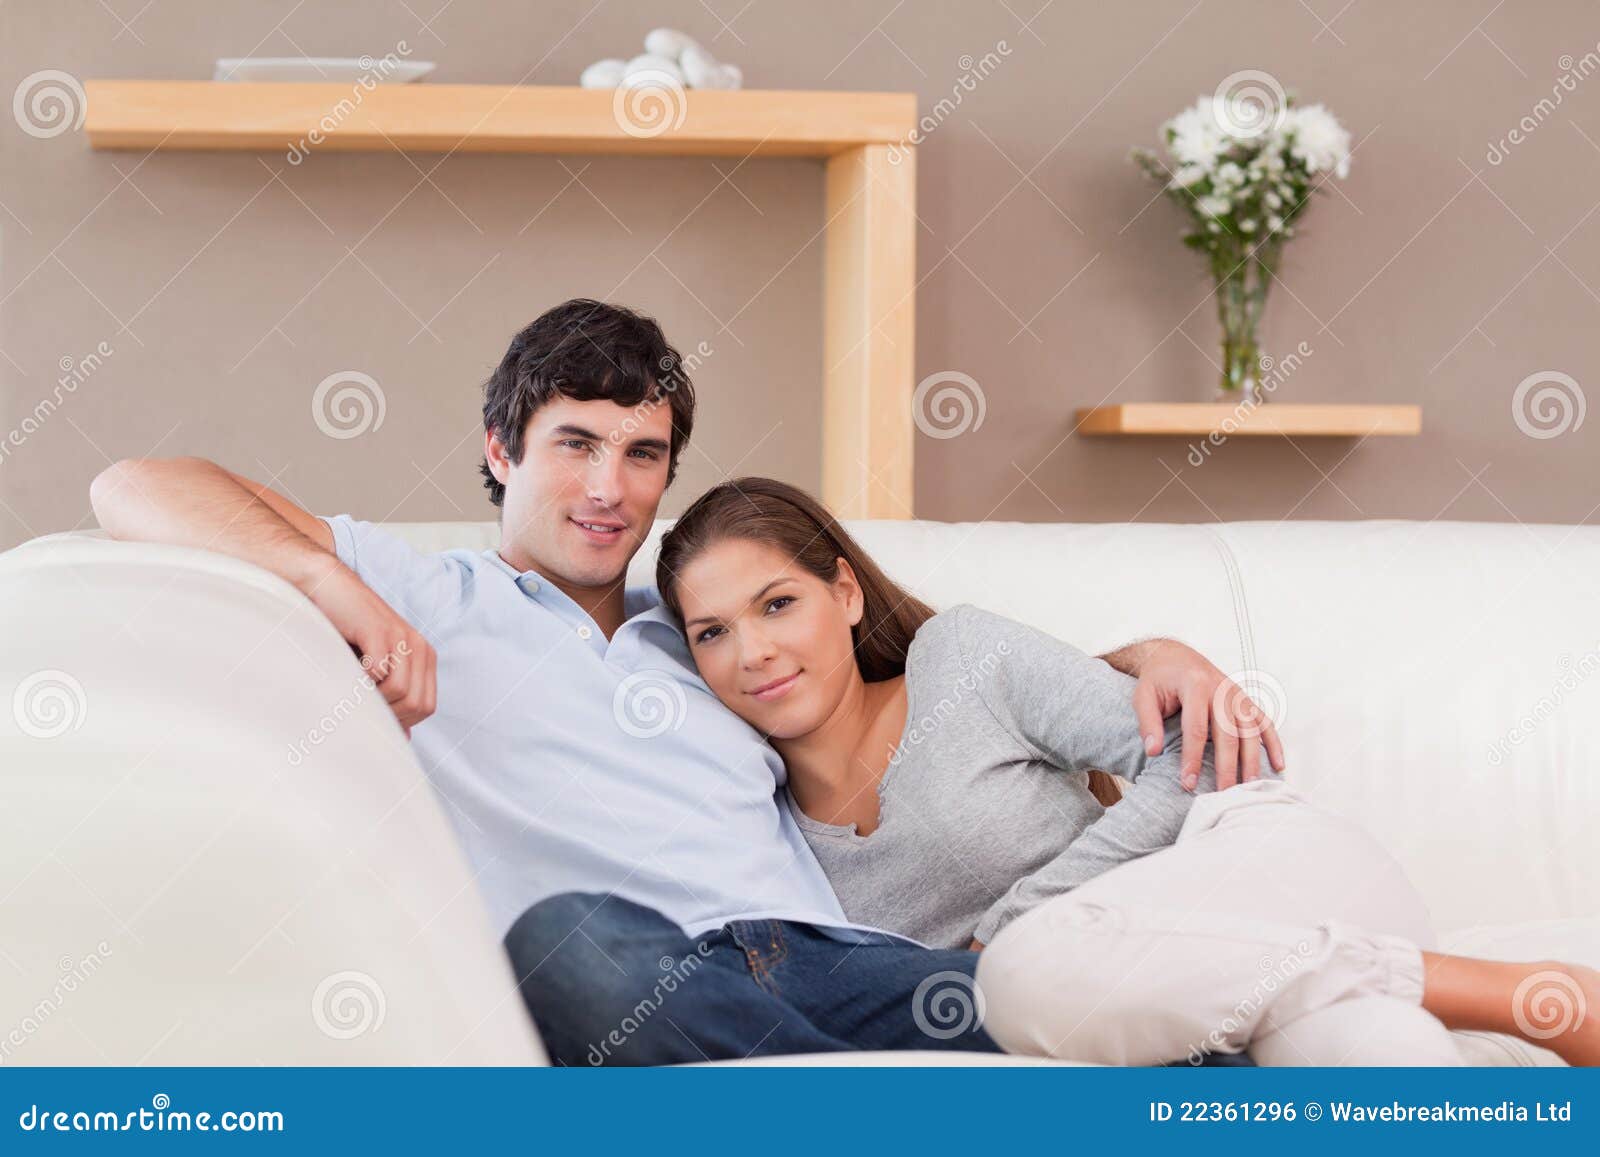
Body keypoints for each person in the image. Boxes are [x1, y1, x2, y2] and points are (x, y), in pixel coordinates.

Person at [90, 298, 1279, 1065]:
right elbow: (135, 485)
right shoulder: (429, 592)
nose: (609, 486)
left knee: (1098, 1008)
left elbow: (921, 653)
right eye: (575, 444)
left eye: (642, 452)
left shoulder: (708, 628)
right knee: (562, 943)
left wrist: (1146, 656)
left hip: (830, 959)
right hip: (634, 972)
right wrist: (331, 582)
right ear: (502, 451)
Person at [653, 476, 1599, 1067]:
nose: (755, 652)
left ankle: (1505, 985)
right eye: (713, 632)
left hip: (1263, 859)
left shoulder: (959, 657)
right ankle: (1529, 1012)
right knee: (1365, 1066)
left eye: (777, 603)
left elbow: (1205, 766)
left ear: (845, 592)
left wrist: (1010, 931)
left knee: (1020, 975)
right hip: (1206, 994)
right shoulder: (765, 831)